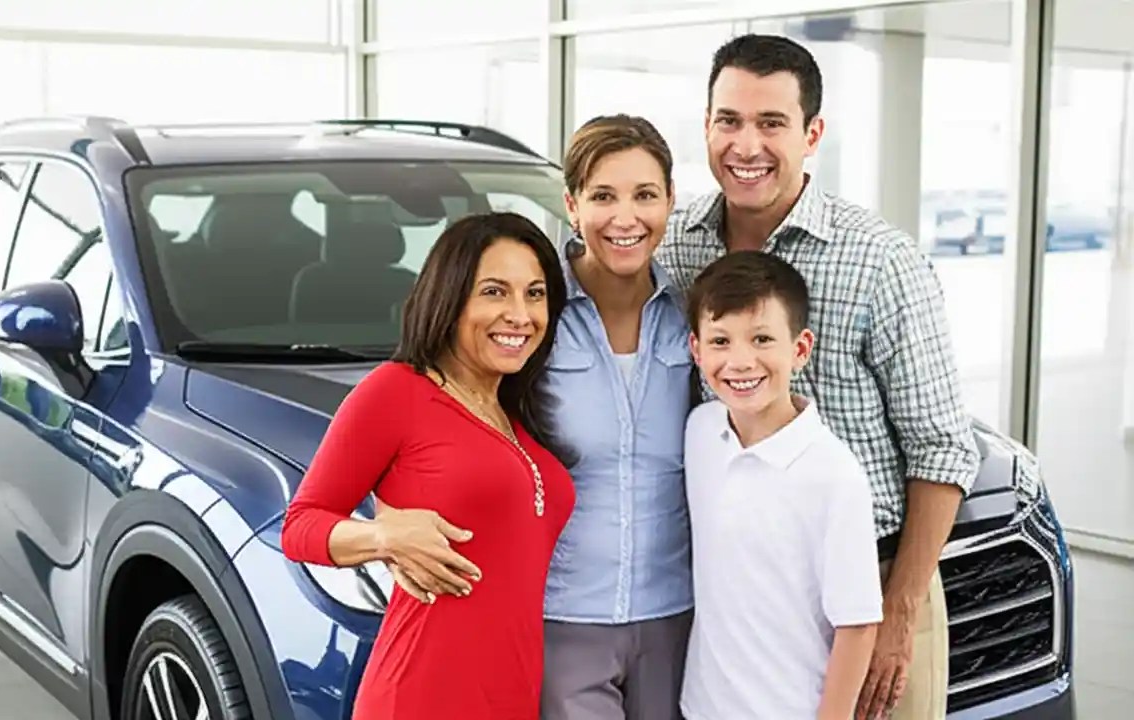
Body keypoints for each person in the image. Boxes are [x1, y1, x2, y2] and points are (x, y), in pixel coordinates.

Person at [655, 33, 981, 720]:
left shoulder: (880, 260)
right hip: (738, 603)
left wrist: (898, 615)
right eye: (729, 121)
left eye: (772, 123)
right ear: (707, 124)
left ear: (813, 133)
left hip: (876, 588)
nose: (747, 146)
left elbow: (942, 450)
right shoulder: (675, 245)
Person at [279, 211, 575, 720]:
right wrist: (384, 538)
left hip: (510, 697)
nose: (521, 314)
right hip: (421, 695)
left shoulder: (515, 412)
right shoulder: (396, 391)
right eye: (494, 292)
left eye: (536, 293)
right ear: (450, 298)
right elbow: (300, 525)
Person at [537, 113, 696, 720]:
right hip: (563, 617)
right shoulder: (535, 315)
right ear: (572, 206)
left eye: (645, 195)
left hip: (677, 615)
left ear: (670, 202)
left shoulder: (694, 316)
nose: (625, 218)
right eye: (603, 196)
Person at [680, 249, 882, 720]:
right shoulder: (700, 429)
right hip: (701, 708)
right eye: (721, 341)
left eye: (762, 338)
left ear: (800, 348)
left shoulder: (834, 475)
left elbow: (857, 623)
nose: (741, 361)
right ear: (697, 350)